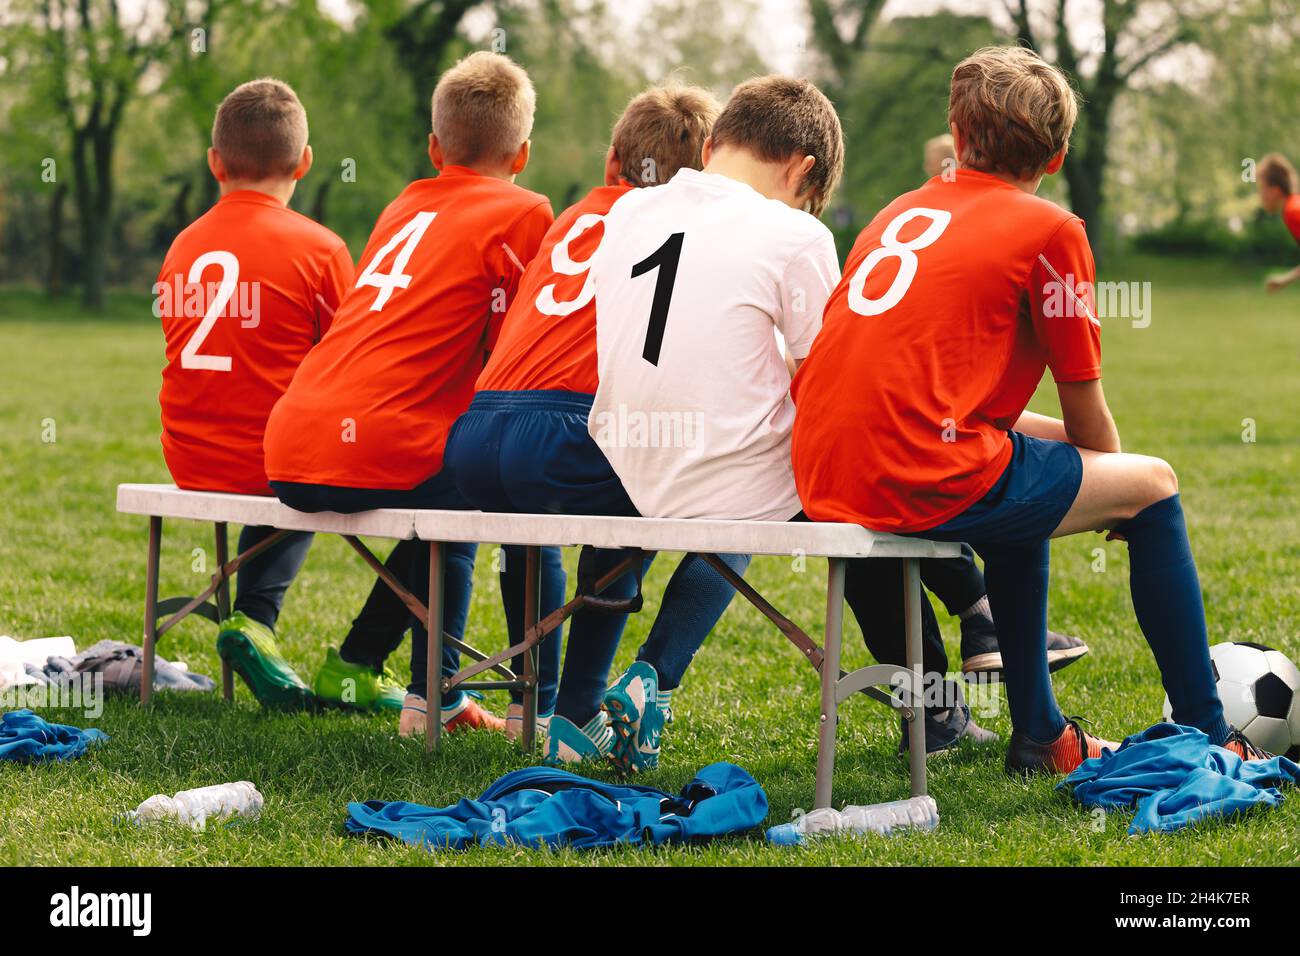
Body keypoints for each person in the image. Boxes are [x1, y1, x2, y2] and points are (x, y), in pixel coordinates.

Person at [792, 46, 1269, 776]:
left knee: (1030, 474)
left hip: (826, 467)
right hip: (912, 468)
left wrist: (1086, 469)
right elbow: (1086, 414)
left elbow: (938, 399)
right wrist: (1123, 488)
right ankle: (1209, 736)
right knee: (1156, 487)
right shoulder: (1052, 230)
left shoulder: (897, 211)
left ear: (956, 133)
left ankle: (1042, 734)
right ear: (1058, 154)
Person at [444, 85, 743, 771]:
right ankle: (578, 709)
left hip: (479, 431)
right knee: (696, 488)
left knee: (600, 488)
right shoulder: (678, 228)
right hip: (570, 429)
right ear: (704, 169)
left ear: (612, 158)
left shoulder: (572, 215)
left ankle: (539, 702)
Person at [261, 52, 555, 736]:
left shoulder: (404, 203)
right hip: (384, 443)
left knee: (443, 499)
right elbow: (519, 347)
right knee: (483, 491)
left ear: (433, 147)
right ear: (524, 154)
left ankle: (366, 662)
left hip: (291, 439)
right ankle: (466, 700)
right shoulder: (526, 210)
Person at [155, 78, 353, 709]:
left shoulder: (182, 245)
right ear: (305, 162)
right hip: (273, 464)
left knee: (279, 440)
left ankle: (256, 624)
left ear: (215, 162)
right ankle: (261, 622)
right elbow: (349, 361)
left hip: (189, 458)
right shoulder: (321, 249)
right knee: (310, 451)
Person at [1256, 152, 1300, 293]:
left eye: (1262, 188)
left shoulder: (1293, 211)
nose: (1260, 195)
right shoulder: (1294, 205)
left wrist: (1285, 279)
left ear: (1275, 190)